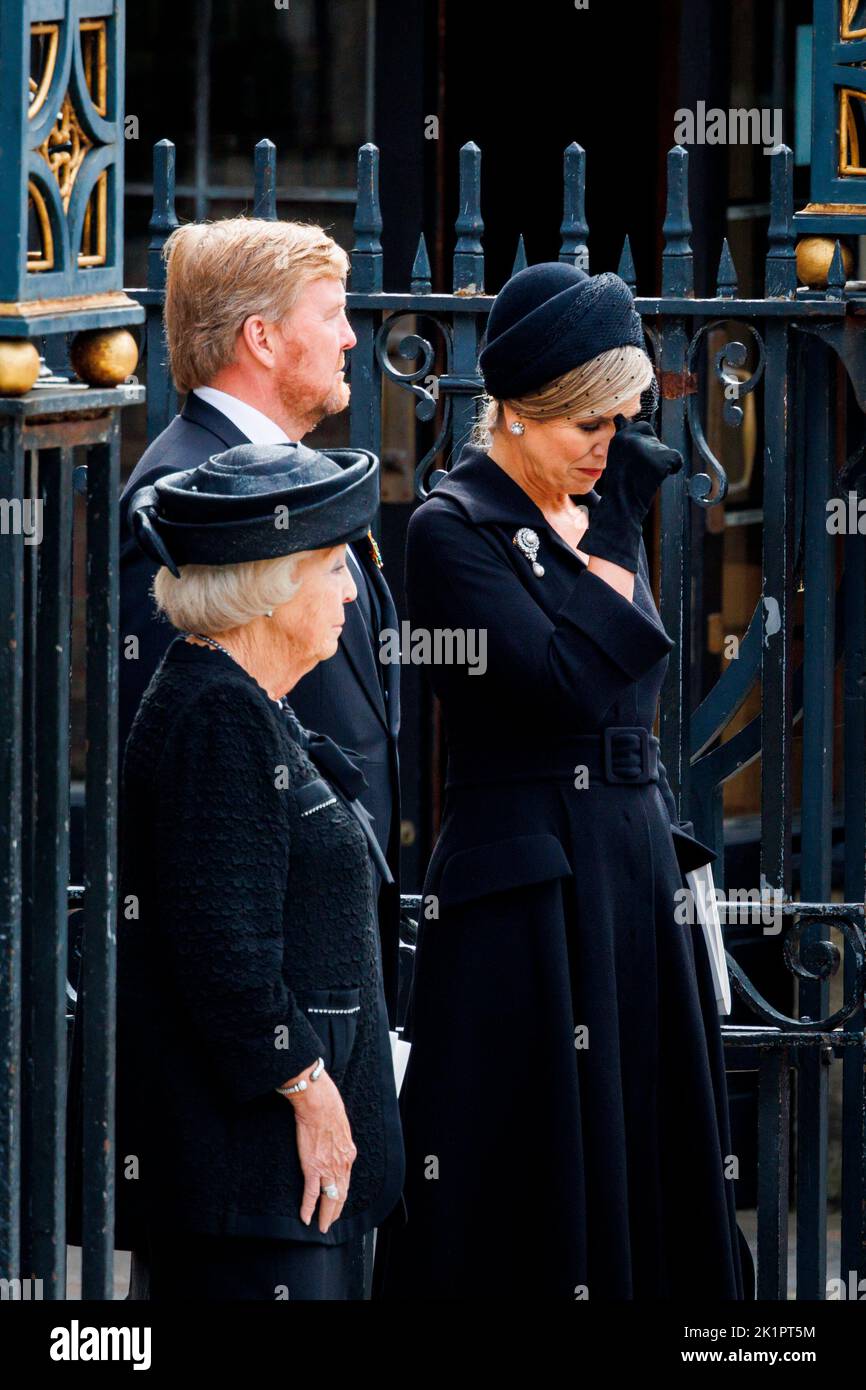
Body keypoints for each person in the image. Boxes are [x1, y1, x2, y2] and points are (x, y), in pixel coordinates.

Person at [374, 262, 752, 1300]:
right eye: (582, 423)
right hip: (526, 895)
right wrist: (621, 538)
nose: (603, 446)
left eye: (615, 421)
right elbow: (564, 685)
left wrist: (602, 539)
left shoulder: (579, 509)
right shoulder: (453, 527)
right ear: (518, 408)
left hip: (629, 867)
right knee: (531, 1175)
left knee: (651, 1155)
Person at [116, 440, 404, 1300]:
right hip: (258, 1189)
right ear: (274, 588)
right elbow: (227, 957)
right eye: (333, 569)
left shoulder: (239, 703)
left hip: (277, 1190)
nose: (353, 591)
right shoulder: (216, 718)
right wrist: (313, 1098)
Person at [118, 217, 402, 1029]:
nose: (351, 337)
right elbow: (188, 781)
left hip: (328, 955)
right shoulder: (181, 500)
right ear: (263, 338)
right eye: (331, 313)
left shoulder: (292, 480)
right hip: (270, 993)